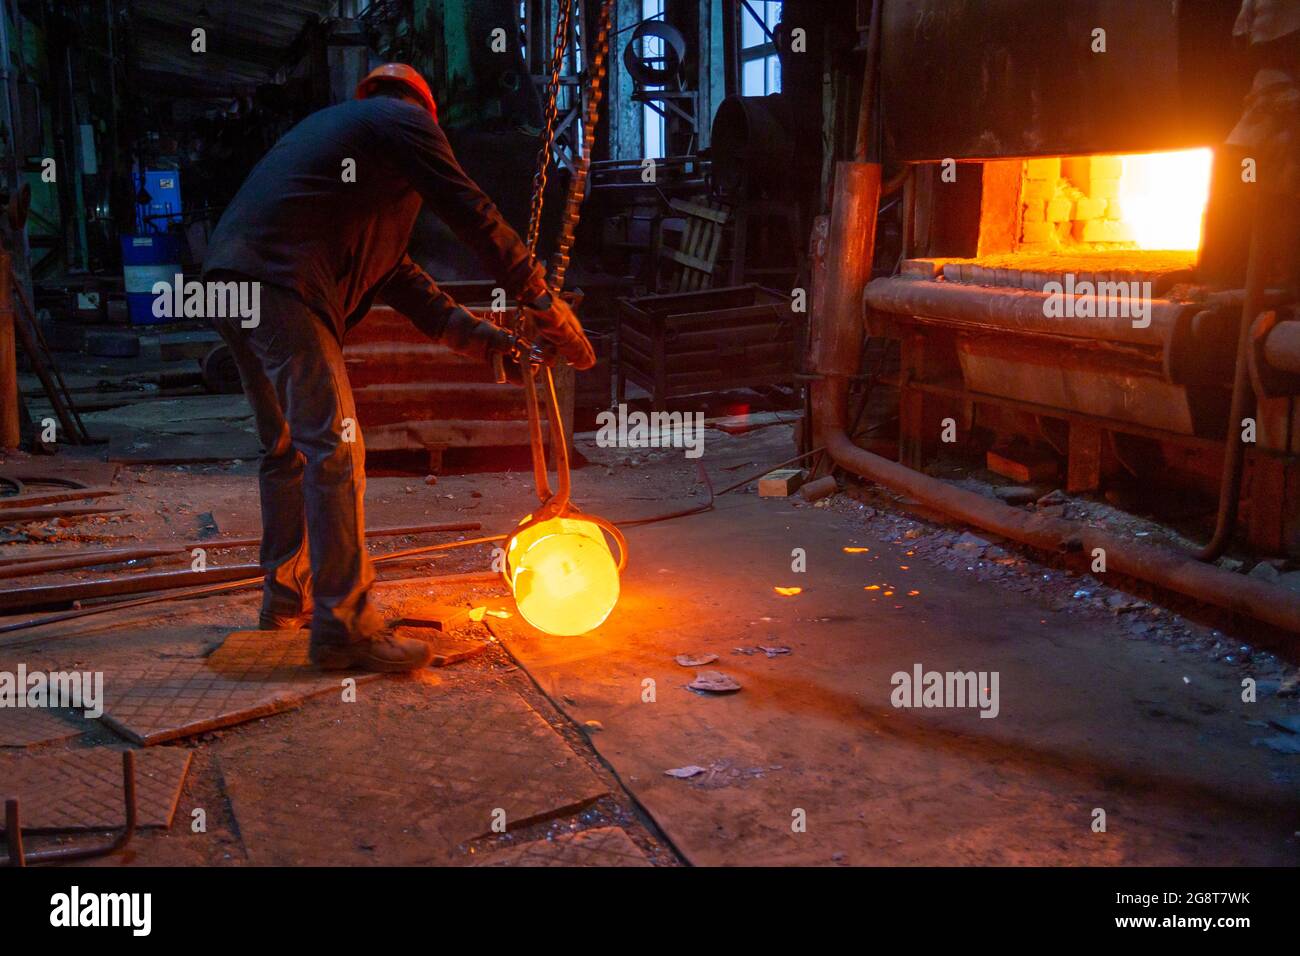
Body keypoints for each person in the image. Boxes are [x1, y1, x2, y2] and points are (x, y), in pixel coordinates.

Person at [202, 63, 595, 672]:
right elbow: (470, 208)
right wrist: (539, 296)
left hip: (231, 280)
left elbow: (416, 293)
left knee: (286, 448)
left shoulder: (352, 183)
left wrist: (495, 346)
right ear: (424, 113)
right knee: (335, 445)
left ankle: (287, 601)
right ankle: (345, 630)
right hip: (280, 283)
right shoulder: (401, 120)